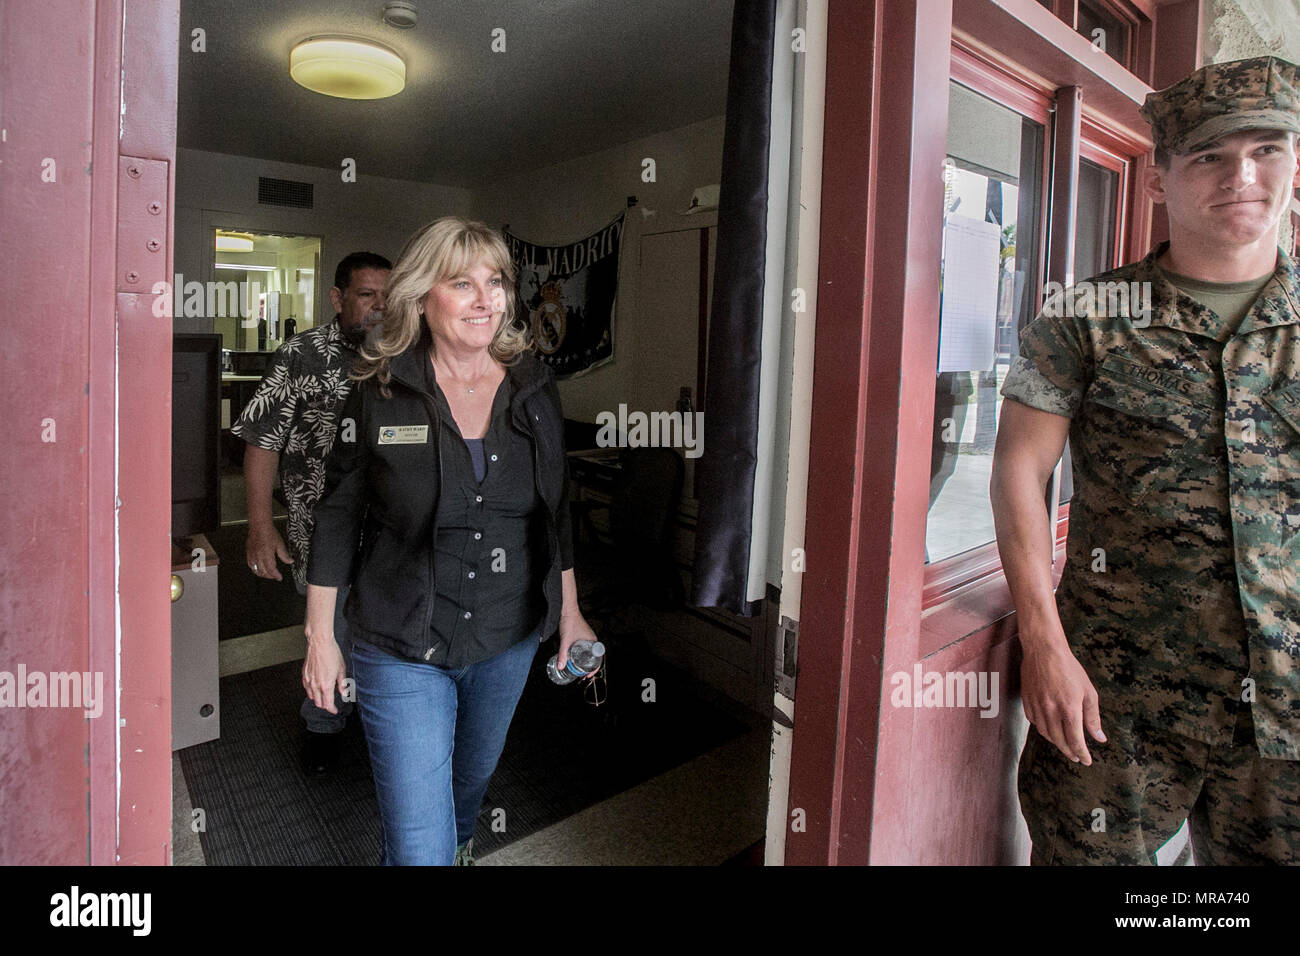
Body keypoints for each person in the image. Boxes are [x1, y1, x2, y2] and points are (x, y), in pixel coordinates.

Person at [991, 56, 1300, 865]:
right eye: (1208, 155)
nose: (1243, 174)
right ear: (1160, 177)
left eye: (1267, 149)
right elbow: (1020, 474)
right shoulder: (1086, 318)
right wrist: (1045, 646)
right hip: (1119, 694)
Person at [304, 217, 599, 866]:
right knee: (417, 846)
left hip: (505, 637)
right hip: (399, 639)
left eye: (495, 282)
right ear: (420, 295)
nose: (485, 299)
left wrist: (571, 616)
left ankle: (460, 841)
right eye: (462, 283)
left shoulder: (533, 386)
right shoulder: (379, 389)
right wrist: (320, 638)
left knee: (467, 789)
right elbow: (337, 514)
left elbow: (556, 511)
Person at [231, 251, 392, 775]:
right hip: (319, 533)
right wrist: (259, 526)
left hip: (391, 535)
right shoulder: (302, 355)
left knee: (388, 635)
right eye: (368, 295)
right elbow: (261, 441)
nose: (379, 307)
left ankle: (387, 724)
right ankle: (323, 724)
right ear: (338, 298)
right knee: (331, 635)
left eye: (388, 296)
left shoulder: (403, 353)